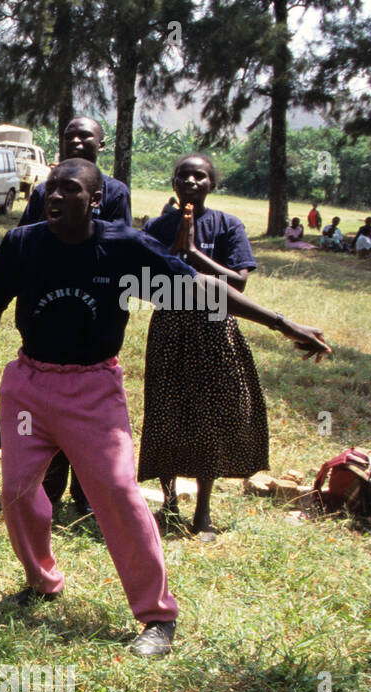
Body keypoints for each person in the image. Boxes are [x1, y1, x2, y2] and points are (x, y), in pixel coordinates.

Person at [0, 159, 330, 657]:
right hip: (29, 385)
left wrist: (282, 323)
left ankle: (157, 616)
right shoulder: (25, 245)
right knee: (16, 491)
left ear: (94, 201)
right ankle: (42, 580)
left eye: (69, 190)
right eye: (51, 189)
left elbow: (199, 289)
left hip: (93, 390)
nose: (54, 198)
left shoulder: (121, 249)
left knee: (118, 491)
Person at [140, 154, 271, 539]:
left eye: (200, 175)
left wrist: (193, 253)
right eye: (184, 175)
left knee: (211, 415)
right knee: (165, 411)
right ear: (174, 182)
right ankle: (168, 501)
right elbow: (145, 283)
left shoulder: (228, 226)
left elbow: (239, 284)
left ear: (212, 182)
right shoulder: (156, 227)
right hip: (169, 327)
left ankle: (202, 511)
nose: (191, 181)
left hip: (215, 328)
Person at [20, 116, 132, 518]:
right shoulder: (42, 191)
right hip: (47, 311)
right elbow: (27, 243)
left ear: (101, 144)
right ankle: (47, 492)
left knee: (89, 423)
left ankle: (87, 497)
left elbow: (118, 248)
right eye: (70, 135)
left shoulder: (114, 192)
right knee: (46, 417)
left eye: (86, 135)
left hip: (93, 311)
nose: (78, 140)